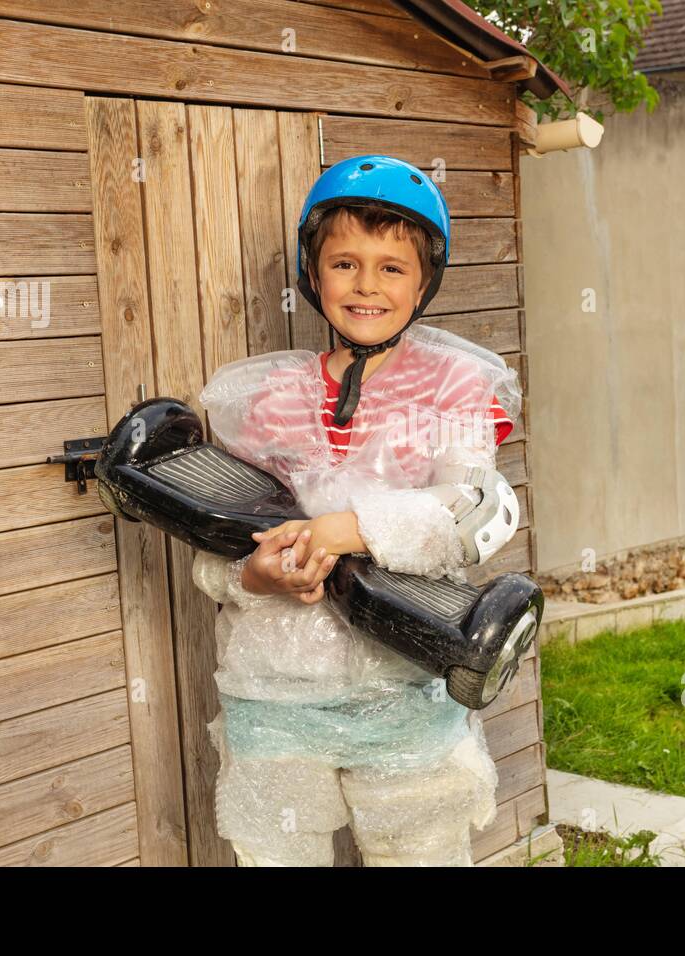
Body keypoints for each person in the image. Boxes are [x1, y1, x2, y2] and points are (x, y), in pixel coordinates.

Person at [191, 155, 523, 866]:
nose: (366, 285)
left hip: (404, 695)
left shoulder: (456, 384)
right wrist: (249, 578)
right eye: (345, 263)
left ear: (425, 282)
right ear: (313, 276)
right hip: (272, 696)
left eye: (391, 267)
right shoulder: (268, 399)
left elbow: (475, 510)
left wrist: (349, 530)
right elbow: (217, 542)